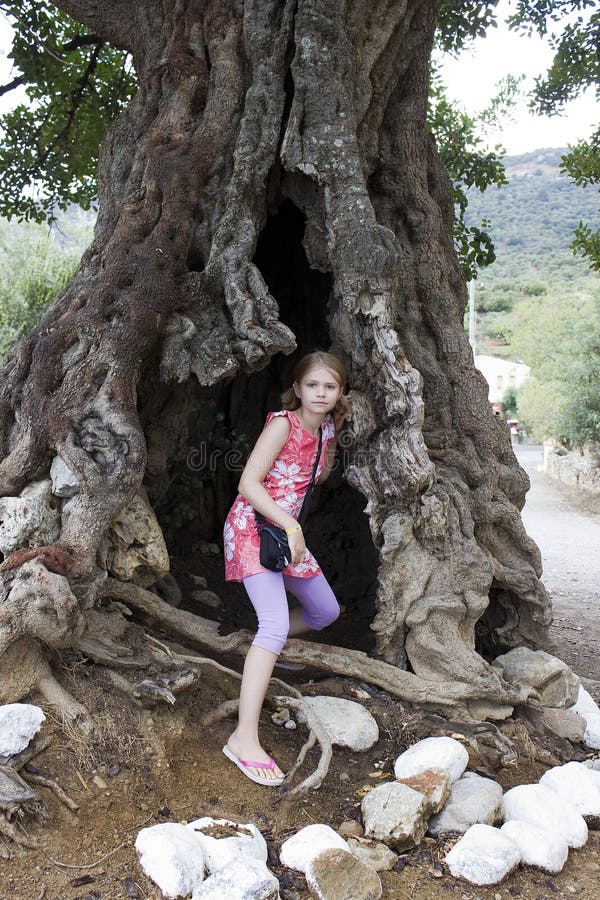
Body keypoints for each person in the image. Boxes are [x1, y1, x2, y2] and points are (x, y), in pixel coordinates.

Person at [221, 351, 351, 786]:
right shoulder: (283, 424)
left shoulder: (328, 429)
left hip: (283, 536)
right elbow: (248, 483)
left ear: (338, 394)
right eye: (312, 385)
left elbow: (316, 473)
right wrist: (291, 523)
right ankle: (243, 739)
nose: (320, 393)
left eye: (329, 387)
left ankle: (266, 647)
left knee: (325, 613)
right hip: (253, 529)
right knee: (274, 623)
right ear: (297, 389)